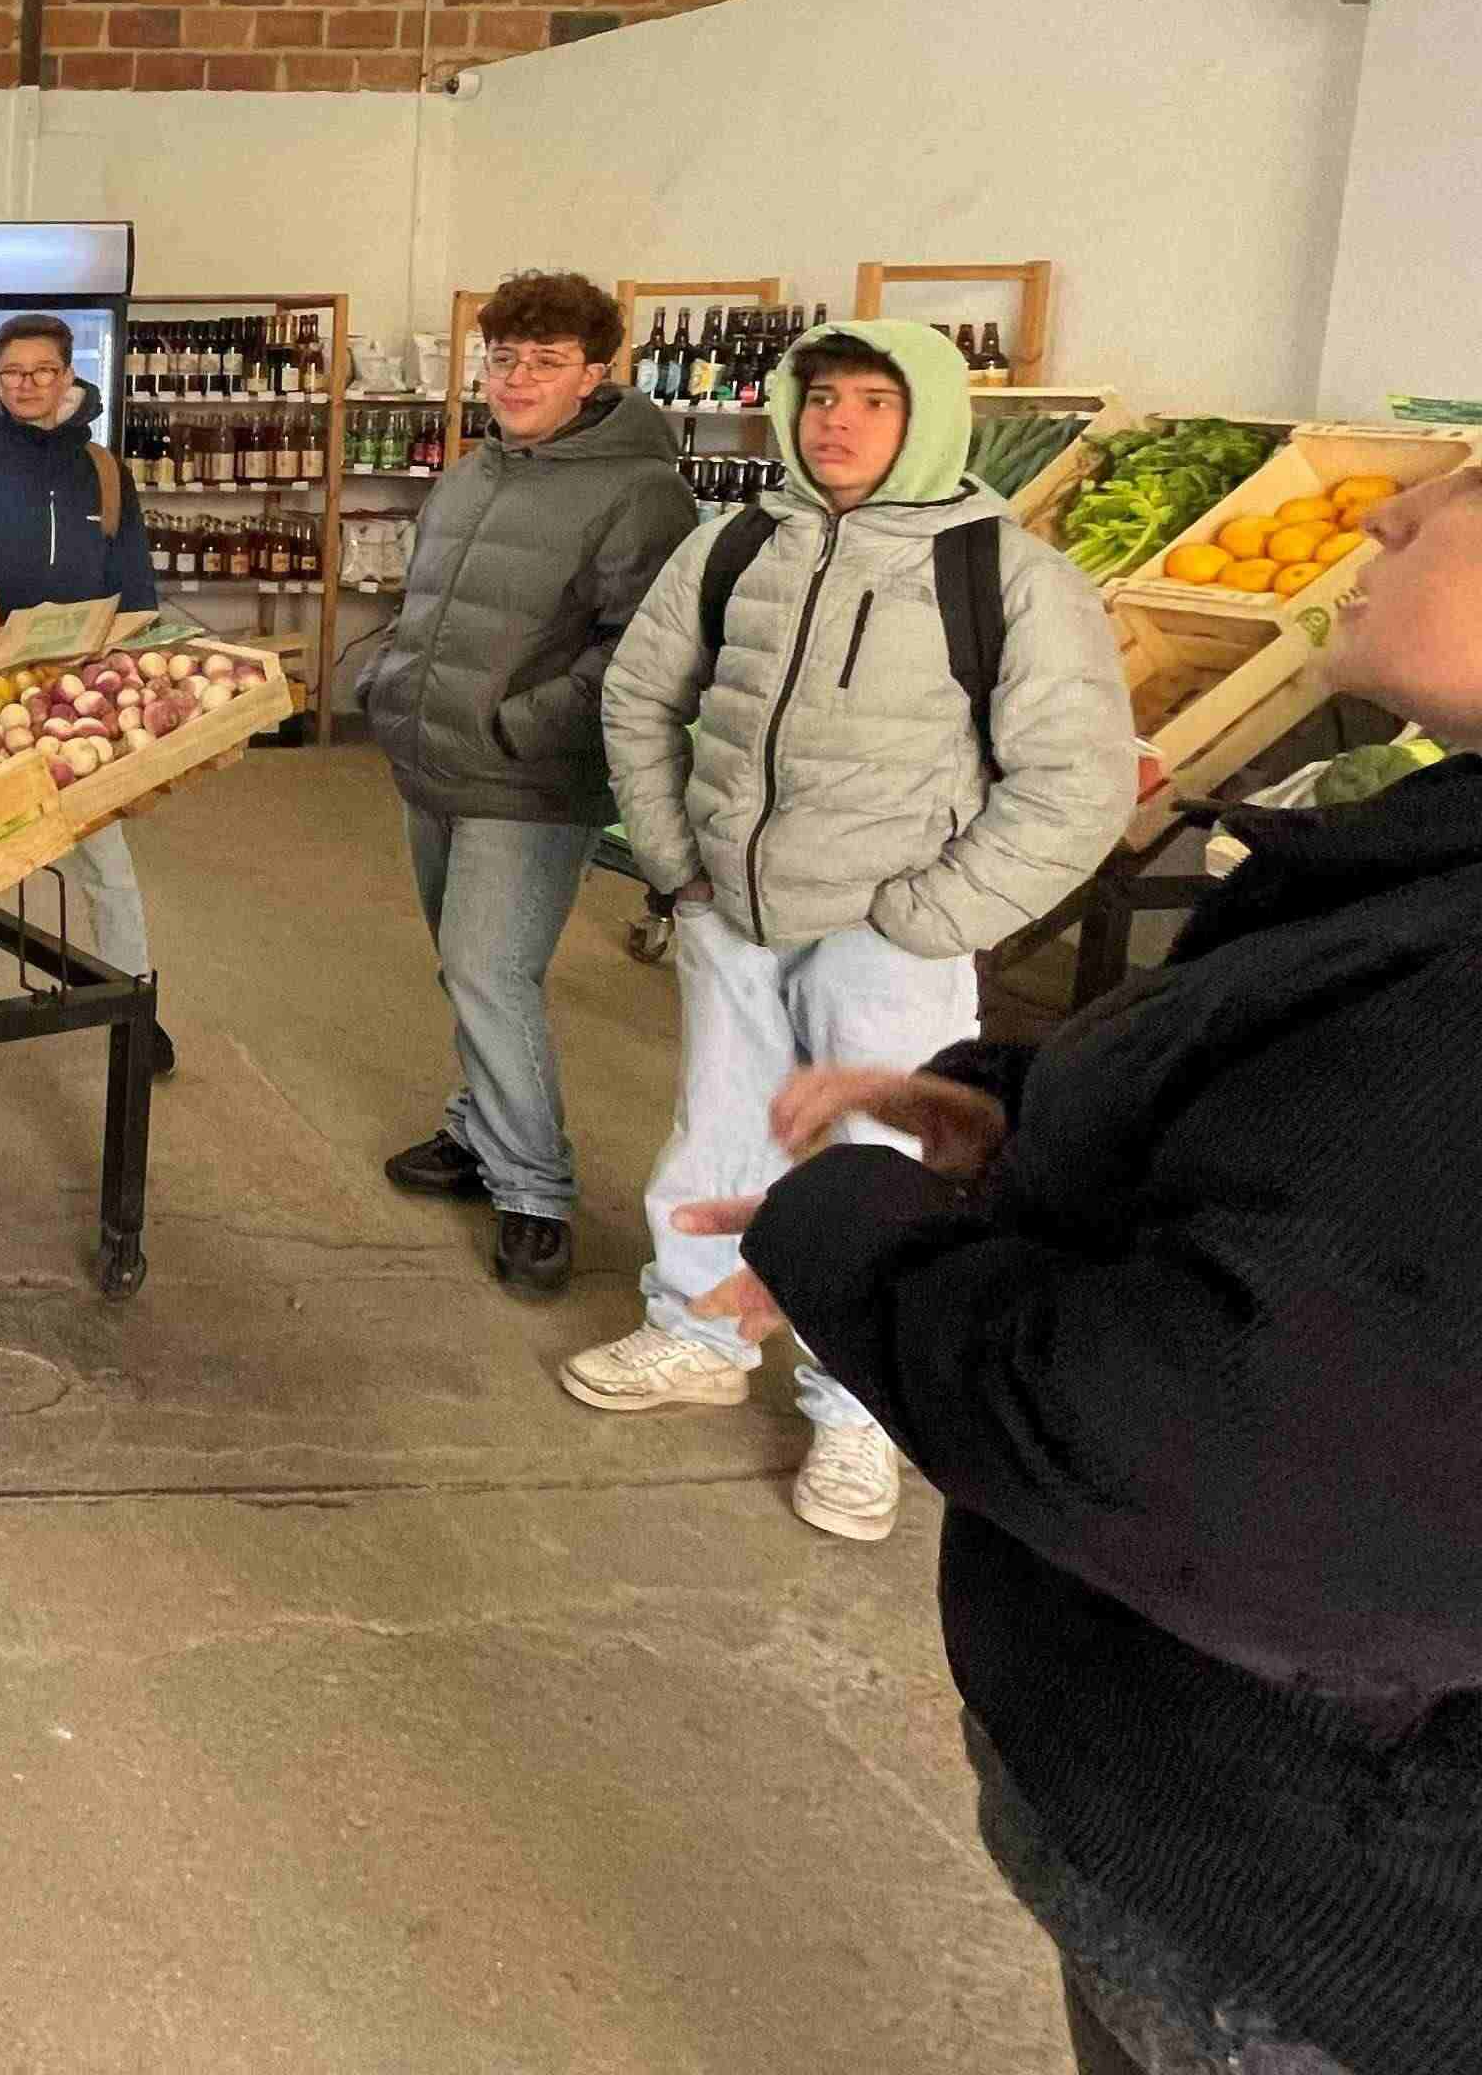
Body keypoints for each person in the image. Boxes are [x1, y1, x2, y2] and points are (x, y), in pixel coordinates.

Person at [706, 464, 1482, 2075]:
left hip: (1331, 1925)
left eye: (1471, 485)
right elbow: (1323, 1161)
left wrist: (847, 1225)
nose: (1393, 507)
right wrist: (1035, 1124)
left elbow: (1201, 1441)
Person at [578, 317, 1128, 1544]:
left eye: (873, 402)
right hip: (732, 904)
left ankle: (859, 1413)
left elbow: (1079, 782)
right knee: (720, 1120)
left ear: (927, 417)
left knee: (880, 1161)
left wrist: (932, 916)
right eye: (821, 395)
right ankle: (697, 1333)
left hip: (889, 930)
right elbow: (640, 694)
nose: (837, 420)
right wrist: (677, 860)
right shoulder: (738, 544)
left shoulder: (1008, 576)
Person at [359, 269, 698, 1300]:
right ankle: (476, 1130)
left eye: (545, 362)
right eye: (503, 357)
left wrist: (523, 725)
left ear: (598, 372)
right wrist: (385, 680)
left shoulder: (642, 490)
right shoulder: (477, 471)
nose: (515, 378)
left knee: (490, 972)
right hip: (433, 759)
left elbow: (642, 649)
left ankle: (535, 1192)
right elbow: (430, 606)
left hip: (529, 777)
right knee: (464, 968)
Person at [0, 316, 157, 1007]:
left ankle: (133, 998)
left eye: (42, 371)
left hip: (81, 695)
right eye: (12, 374)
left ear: (69, 374)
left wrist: (128, 675)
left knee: (104, 859)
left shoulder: (105, 473)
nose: (27, 385)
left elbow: (136, 585)